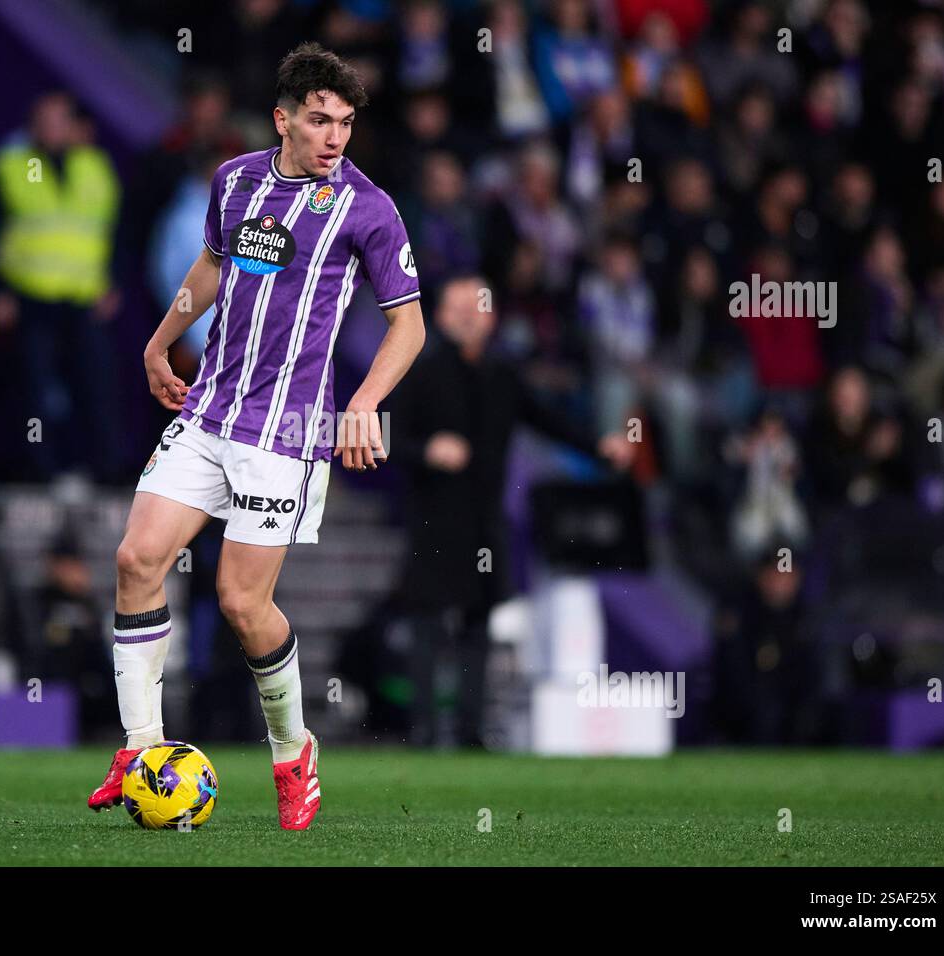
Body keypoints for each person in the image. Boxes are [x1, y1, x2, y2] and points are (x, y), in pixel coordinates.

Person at [87, 43, 426, 830]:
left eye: (344, 123)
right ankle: (140, 752)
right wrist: (160, 340)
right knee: (138, 559)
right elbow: (209, 267)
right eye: (318, 120)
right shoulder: (234, 180)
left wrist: (366, 401)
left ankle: (291, 751)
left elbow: (406, 326)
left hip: (287, 431)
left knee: (241, 602)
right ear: (283, 119)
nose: (334, 136)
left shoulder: (368, 208)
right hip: (211, 409)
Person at [393, 275, 634, 747]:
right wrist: (428, 450)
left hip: (484, 520)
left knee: (478, 626)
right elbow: (387, 437)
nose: (467, 314)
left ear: (492, 315)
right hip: (433, 520)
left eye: (476, 305)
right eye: (457, 306)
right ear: (440, 317)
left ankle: (470, 731)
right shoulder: (419, 372)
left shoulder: (503, 376)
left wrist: (599, 448)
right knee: (425, 622)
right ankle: (421, 731)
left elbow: (547, 420)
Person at [0, 91, 123, 481]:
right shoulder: (12, 166)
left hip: (83, 298)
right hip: (30, 298)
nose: (53, 129)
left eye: (60, 120)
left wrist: (112, 281)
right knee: (33, 392)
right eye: (45, 121)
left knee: (97, 385)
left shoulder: (94, 166)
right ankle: (39, 471)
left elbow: (113, 229)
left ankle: (105, 472)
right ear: (32, 126)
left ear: (72, 125)